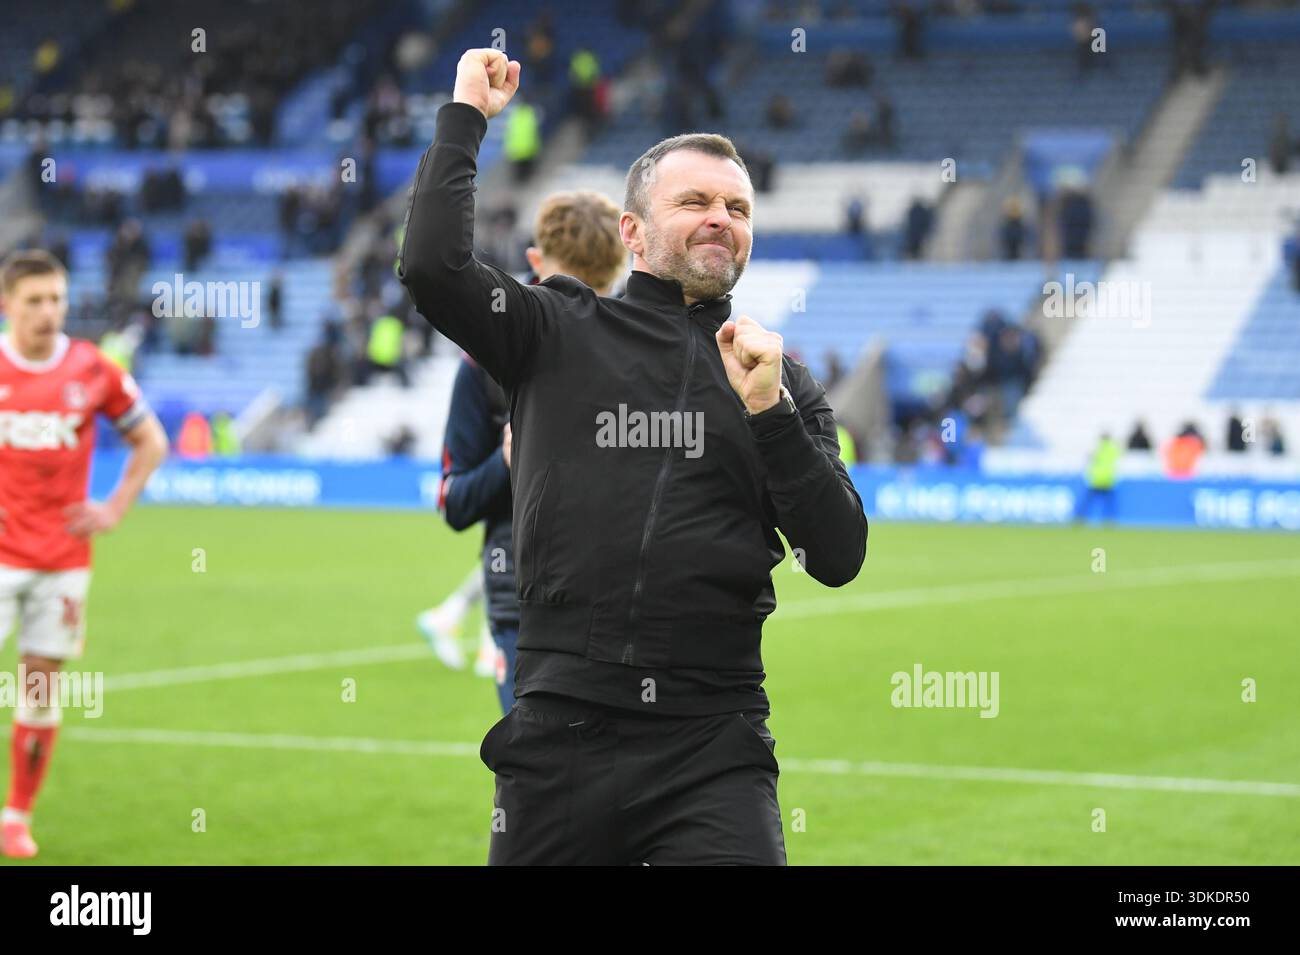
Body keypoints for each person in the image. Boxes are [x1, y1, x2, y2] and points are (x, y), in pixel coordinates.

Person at [399, 49, 867, 866]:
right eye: (694, 201)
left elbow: (839, 555)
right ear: (633, 231)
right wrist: (465, 115)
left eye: (738, 206)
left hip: (715, 741)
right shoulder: (555, 328)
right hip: (558, 731)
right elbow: (431, 267)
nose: (722, 218)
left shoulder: (780, 377)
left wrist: (771, 415)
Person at [419, 191, 627, 714]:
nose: (578, 308)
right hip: (526, 612)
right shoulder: (484, 368)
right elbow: (455, 500)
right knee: (542, 781)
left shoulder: (640, 357)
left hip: (626, 607)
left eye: (596, 291)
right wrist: (510, 460)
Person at [0, 249, 168, 858]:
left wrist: (115, 506)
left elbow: (150, 440)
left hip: (61, 558)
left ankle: (16, 814)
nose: (49, 312)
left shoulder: (92, 368)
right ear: (7, 305)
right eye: (34, 301)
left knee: (40, 689)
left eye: (57, 300)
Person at [1076, 431, 1120, 523]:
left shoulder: (1098, 448)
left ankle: (1081, 517)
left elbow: (1089, 459)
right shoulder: (1113, 449)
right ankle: (1109, 519)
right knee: (1109, 503)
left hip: (1096, 479)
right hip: (1108, 479)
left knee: (1088, 501)